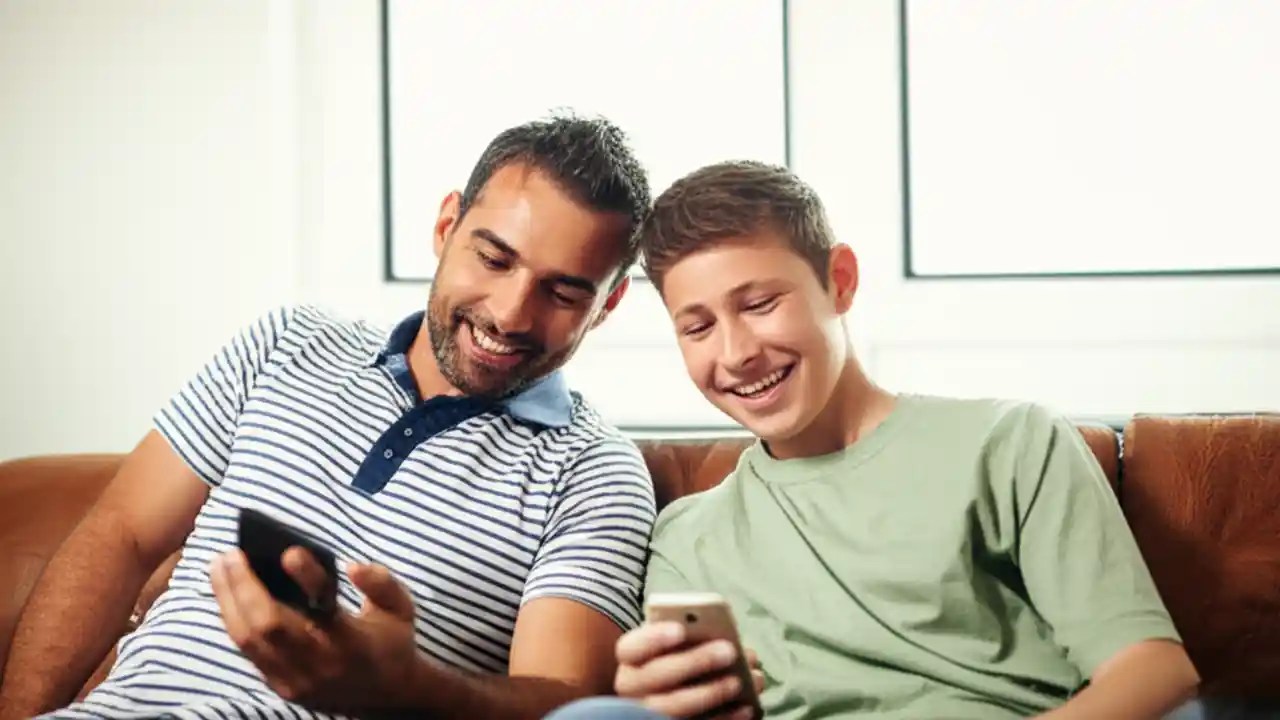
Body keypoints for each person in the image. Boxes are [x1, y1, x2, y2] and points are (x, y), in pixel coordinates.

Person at [0, 114, 658, 720]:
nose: (512, 314)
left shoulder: (595, 470)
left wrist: (403, 687)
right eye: (493, 259)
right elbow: (122, 536)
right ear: (445, 226)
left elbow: (567, 703)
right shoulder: (287, 341)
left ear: (608, 303)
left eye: (563, 292)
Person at [548, 160, 1204, 720]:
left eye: (759, 305)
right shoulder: (688, 539)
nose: (737, 353)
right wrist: (651, 699)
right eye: (697, 328)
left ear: (840, 281)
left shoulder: (1006, 444)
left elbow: (1154, 672)